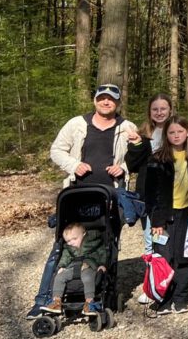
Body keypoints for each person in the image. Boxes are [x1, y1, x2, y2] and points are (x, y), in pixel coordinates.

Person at [28, 84, 140, 319]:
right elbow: (56, 150)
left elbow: (138, 157)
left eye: (111, 99)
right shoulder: (76, 124)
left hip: (111, 196)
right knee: (63, 244)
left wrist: (123, 168)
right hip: (77, 195)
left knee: (108, 242)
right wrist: (74, 165)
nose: (106, 102)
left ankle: (102, 295)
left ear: (118, 102)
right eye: (102, 98)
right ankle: (44, 299)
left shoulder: (127, 127)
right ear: (95, 100)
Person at [143, 116, 188, 314]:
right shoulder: (157, 159)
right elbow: (150, 193)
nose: (176, 136)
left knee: (184, 256)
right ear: (166, 135)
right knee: (164, 256)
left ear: (187, 132)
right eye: (172, 132)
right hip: (164, 214)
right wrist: (156, 220)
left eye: (180, 131)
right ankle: (164, 299)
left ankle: (180, 298)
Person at [126, 94, 173, 278]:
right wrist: (136, 145)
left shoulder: (177, 130)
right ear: (150, 112)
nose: (159, 113)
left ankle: (170, 276)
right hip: (147, 193)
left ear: (170, 110)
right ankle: (154, 280)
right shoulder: (143, 134)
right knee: (150, 239)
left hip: (171, 194)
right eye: (155, 109)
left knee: (169, 238)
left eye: (163, 109)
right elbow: (132, 165)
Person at [41, 222, 107, 316]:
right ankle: (56, 302)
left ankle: (89, 302)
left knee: (87, 277)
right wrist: (62, 266)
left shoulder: (94, 243)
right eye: (68, 241)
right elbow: (65, 257)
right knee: (59, 277)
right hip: (72, 267)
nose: (71, 242)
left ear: (84, 235)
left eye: (75, 239)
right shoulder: (68, 248)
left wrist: (102, 264)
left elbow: (102, 253)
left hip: (89, 265)